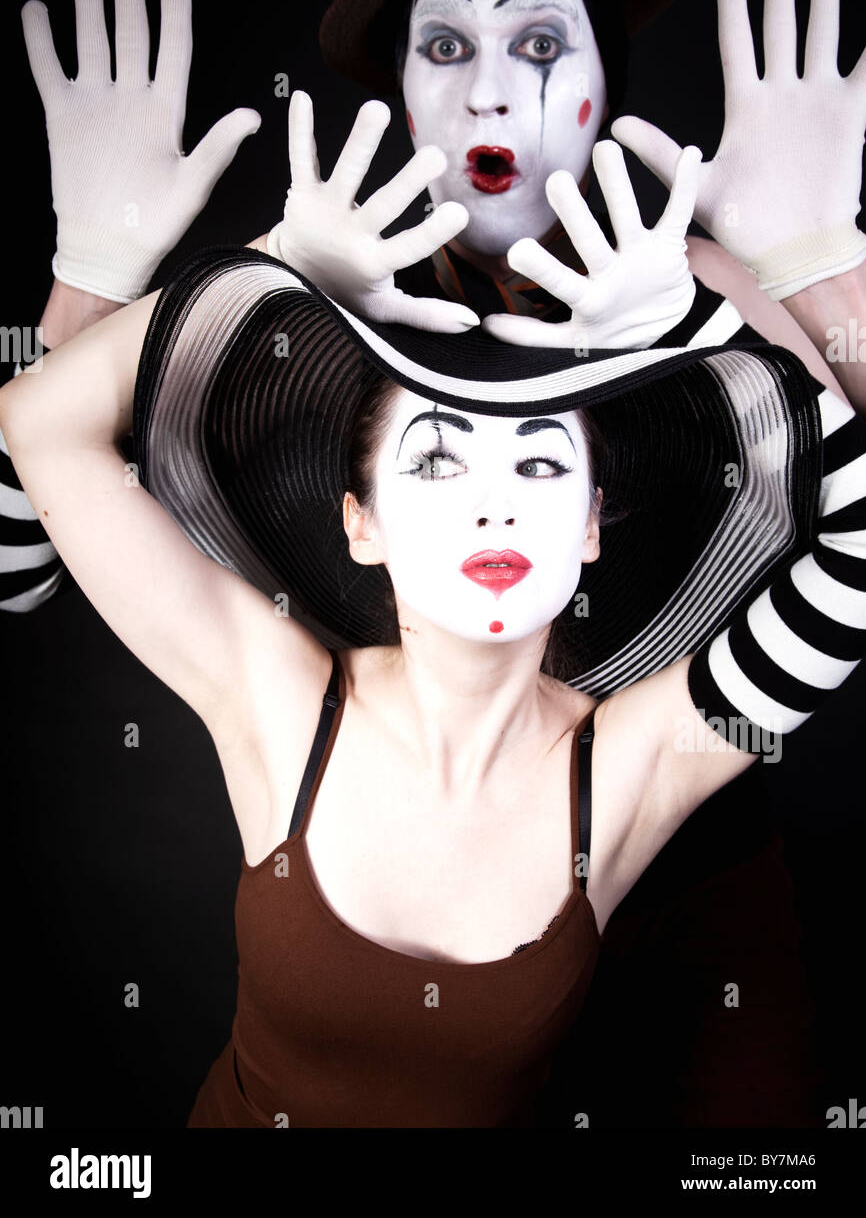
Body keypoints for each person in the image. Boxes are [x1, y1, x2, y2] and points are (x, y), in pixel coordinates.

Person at [0, 137, 862, 1124]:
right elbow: (41, 424)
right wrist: (276, 266)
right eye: (439, 463)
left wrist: (724, 303)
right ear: (360, 523)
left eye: (538, 465)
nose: (491, 507)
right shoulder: (279, 697)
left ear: (588, 526)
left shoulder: (630, 764)